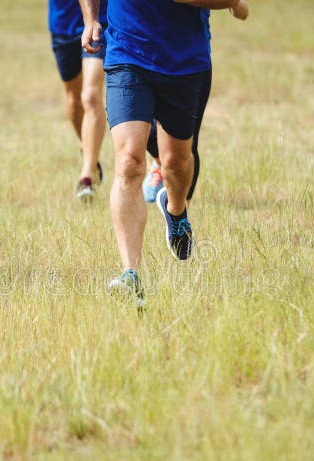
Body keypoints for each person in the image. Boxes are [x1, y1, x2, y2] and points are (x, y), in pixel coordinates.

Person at [81, 0, 241, 307]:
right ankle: (131, 273)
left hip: (183, 62)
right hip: (127, 53)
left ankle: (176, 209)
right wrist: (91, 18)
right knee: (128, 161)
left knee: (176, 163)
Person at [142, 1, 249, 203]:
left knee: (186, 145)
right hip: (139, 55)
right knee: (139, 129)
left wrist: (234, 3)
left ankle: (180, 211)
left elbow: (242, 11)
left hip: (188, 61)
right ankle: (159, 164)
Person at [49, 0, 109, 202]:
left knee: (91, 95)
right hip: (63, 22)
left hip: (100, 19)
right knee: (74, 100)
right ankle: (88, 151)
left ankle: (86, 178)